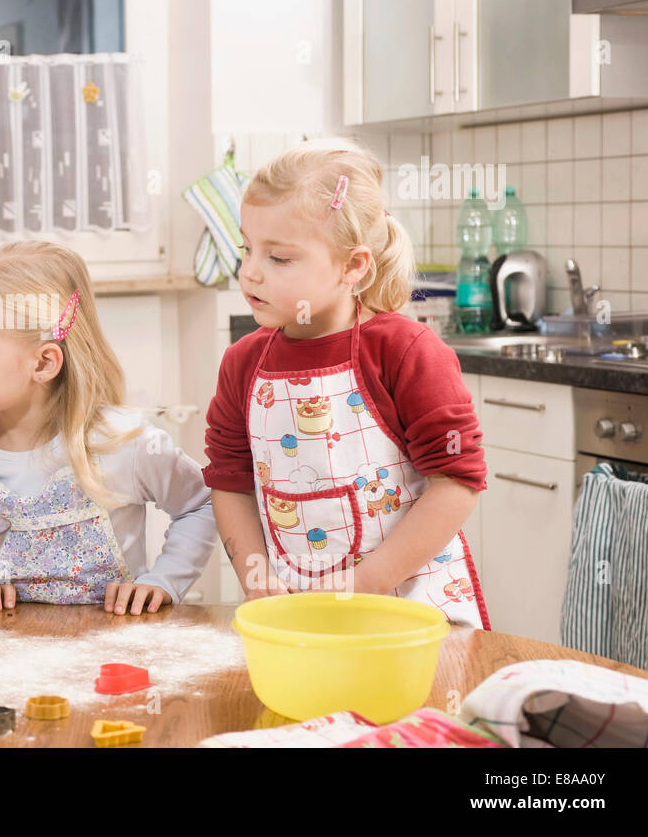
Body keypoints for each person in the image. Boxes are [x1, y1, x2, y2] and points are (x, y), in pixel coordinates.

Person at [204, 138, 490, 628]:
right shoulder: (242, 363)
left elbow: (457, 481)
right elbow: (230, 482)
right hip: (298, 618)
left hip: (414, 617)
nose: (249, 272)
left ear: (353, 267)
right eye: (247, 249)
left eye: (280, 258)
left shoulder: (404, 352)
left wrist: (363, 586)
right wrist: (258, 582)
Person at [0, 241, 218, 615]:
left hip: (106, 658)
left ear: (43, 363)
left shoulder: (125, 445)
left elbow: (201, 504)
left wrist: (165, 580)